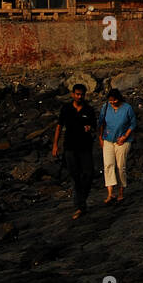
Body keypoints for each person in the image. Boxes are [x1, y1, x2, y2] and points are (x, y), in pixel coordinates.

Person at [53, 83, 97, 219]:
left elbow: (95, 127)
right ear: (73, 94)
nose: (79, 97)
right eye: (77, 94)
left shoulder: (89, 110)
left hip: (85, 147)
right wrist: (55, 145)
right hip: (70, 147)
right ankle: (80, 206)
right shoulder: (66, 109)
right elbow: (59, 127)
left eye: (82, 94)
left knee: (88, 174)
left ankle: (81, 201)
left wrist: (90, 128)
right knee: (75, 176)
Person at [98, 88, 136, 204]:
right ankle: (110, 193)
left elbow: (133, 123)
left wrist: (125, 136)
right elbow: (101, 122)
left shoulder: (127, 108)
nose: (113, 102)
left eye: (114, 100)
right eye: (111, 101)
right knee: (108, 165)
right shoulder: (105, 107)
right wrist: (100, 137)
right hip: (108, 139)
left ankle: (120, 192)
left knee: (120, 166)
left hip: (123, 140)